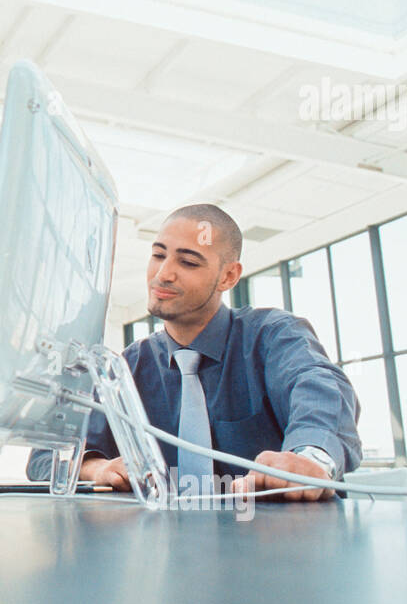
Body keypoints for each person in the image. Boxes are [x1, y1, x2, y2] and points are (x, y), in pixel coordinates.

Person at [29, 204, 359, 500]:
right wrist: (96, 469)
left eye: (187, 261)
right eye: (158, 255)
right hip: (163, 551)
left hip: (272, 546)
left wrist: (309, 460)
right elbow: (46, 457)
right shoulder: (124, 368)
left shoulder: (272, 335)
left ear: (228, 276)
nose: (163, 274)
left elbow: (319, 387)